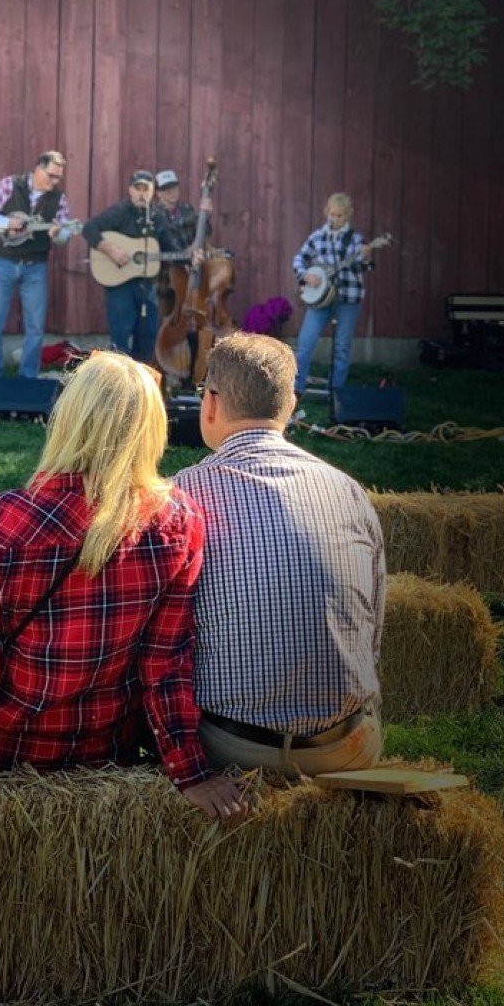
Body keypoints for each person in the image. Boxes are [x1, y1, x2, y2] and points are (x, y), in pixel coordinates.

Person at [0, 352, 245, 829]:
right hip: (104, 757)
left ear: (69, 418)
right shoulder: (179, 524)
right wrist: (191, 774)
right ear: (152, 429)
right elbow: (166, 666)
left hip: (1, 756)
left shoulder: (4, 521)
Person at [173, 331, 385, 776]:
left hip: (233, 748)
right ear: (290, 405)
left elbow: (163, 636)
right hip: (344, 745)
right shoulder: (348, 491)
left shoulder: (184, 493)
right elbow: (373, 628)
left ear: (210, 402)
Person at [0, 151, 77, 386]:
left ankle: (28, 378)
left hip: (36, 266)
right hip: (4, 262)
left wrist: (59, 234)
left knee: (35, 325)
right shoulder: (10, 185)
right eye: (51, 176)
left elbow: (65, 235)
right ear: (38, 168)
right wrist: (8, 223)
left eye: (58, 178)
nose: (55, 182)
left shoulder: (59, 199)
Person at [291, 193, 374, 399]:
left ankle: (336, 393)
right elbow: (299, 259)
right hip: (320, 299)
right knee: (305, 343)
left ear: (348, 215)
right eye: (332, 214)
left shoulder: (356, 240)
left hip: (347, 298)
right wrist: (306, 275)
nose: (334, 219)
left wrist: (366, 256)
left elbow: (366, 266)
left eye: (339, 215)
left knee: (342, 347)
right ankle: (296, 390)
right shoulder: (318, 237)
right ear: (326, 212)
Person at [82, 171, 167, 363]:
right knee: (120, 337)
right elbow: (89, 228)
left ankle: (140, 386)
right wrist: (110, 249)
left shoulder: (158, 217)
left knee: (148, 336)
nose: (142, 194)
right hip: (120, 285)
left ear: (153, 192)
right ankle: (118, 384)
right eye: (138, 189)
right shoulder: (120, 212)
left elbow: (171, 247)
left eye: (146, 189)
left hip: (148, 287)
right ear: (130, 190)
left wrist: (190, 256)